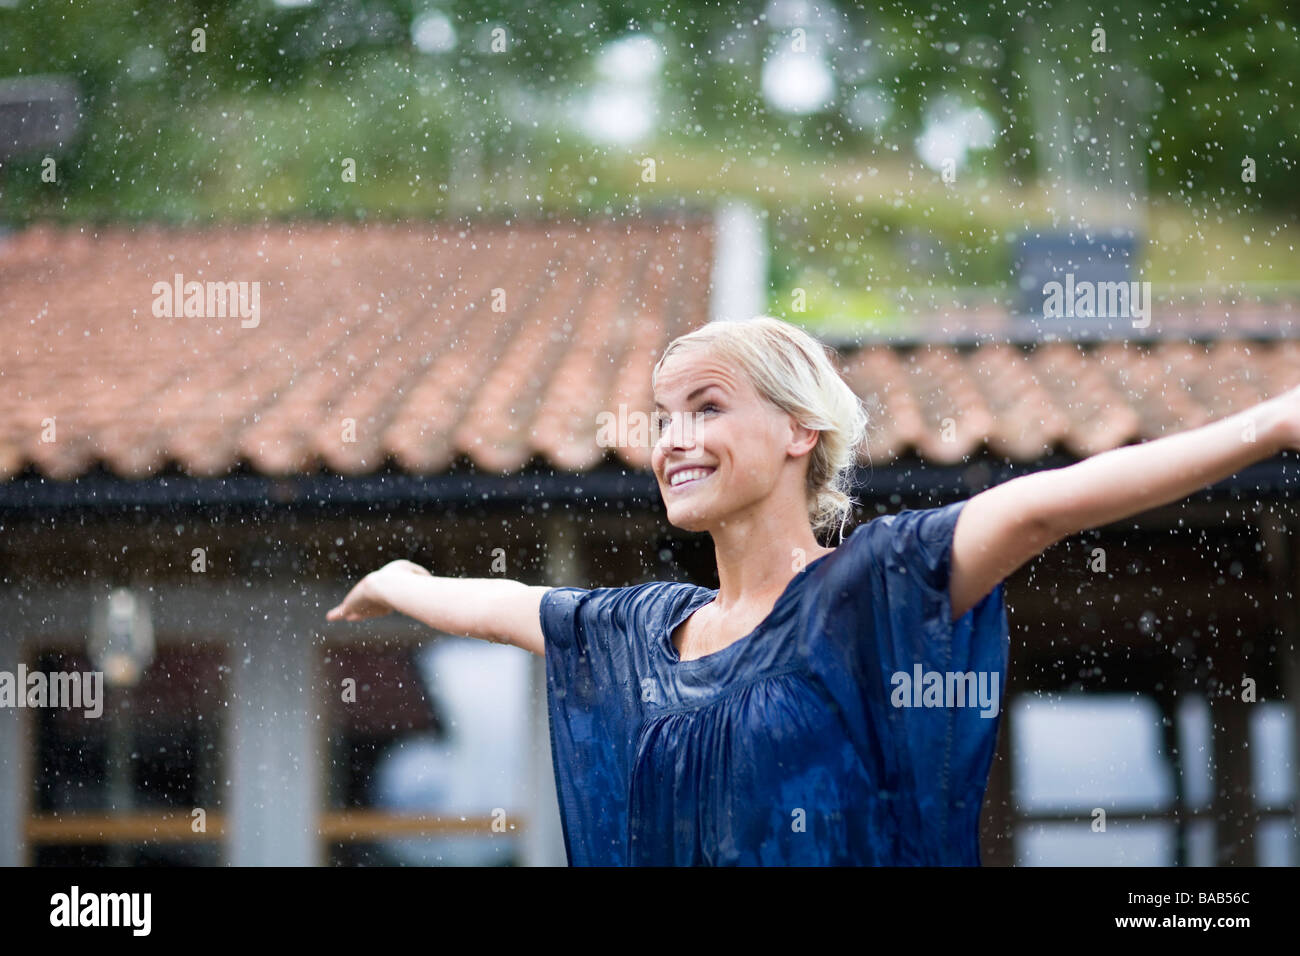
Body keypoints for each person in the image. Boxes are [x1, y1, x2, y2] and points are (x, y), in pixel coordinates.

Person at [327, 315, 1300, 865]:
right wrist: (402, 578)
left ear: (799, 432)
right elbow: (503, 608)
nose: (673, 440)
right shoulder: (641, 635)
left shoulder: (859, 595)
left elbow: (1036, 510)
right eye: (663, 418)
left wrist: (1266, 426)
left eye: (706, 408)